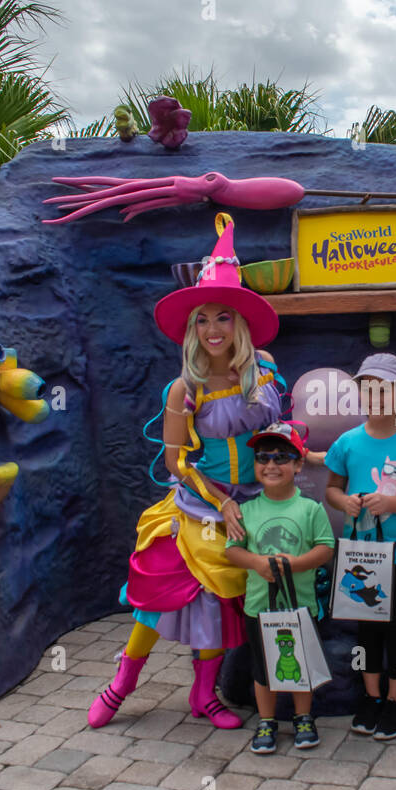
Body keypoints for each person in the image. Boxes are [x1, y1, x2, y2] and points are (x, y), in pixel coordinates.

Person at [87, 213, 287, 730]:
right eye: (202, 319)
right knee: (158, 598)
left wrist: (294, 455)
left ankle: (205, 697)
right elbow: (176, 461)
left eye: (222, 317)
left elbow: (278, 430)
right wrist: (221, 502)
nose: (212, 329)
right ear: (191, 328)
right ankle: (121, 684)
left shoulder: (263, 368)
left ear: (238, 323)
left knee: (222, 604)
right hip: (202, 505)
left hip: (254, 504)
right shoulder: (185, 389)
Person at [325, 353, 396, 740]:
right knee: (367, 631)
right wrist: (346, 503)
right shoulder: (347, 442)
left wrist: (391, 504)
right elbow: (331, 489)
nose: (375, 396)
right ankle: (371, 697)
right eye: (367, 388)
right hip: (359, 555)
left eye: (383, 388)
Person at [225, 423, 335, 754]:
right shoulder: (246, 510)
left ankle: (303, 717)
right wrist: (257, 563)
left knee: (299, 664)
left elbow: (326, 548)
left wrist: (296, 563)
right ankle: (267, 720)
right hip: (259, 608)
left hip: (300, 607)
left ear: (299, 464)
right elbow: (232, 551)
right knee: (263, 668)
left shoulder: (310, 509)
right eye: (263, 457)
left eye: (281, 457)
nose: (271, 465)